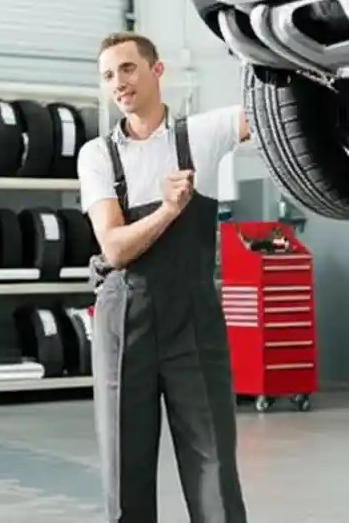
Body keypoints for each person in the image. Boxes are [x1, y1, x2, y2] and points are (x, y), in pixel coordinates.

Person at [79, 31, 250, 523]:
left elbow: (269, 118)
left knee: (214, 467)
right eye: (109, 75)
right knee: (125, 472)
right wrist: (170, 210)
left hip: (194, 319)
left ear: (157, 71)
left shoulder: (201, 134)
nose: (119, 83)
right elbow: (113, 246)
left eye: (128, 69)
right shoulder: (98, 156)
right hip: (124, 317)